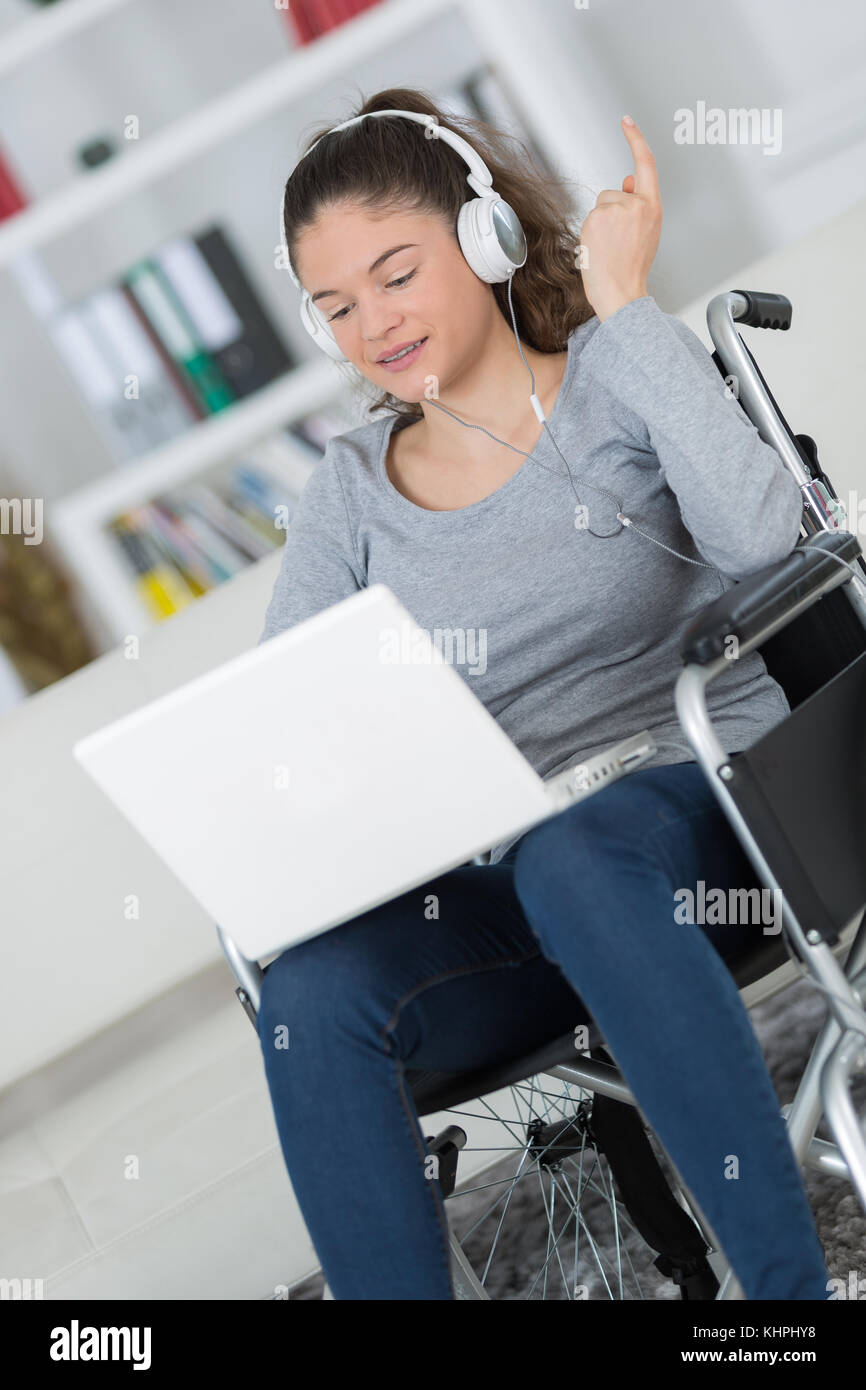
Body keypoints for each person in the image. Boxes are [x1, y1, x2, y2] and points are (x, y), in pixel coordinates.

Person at [254, 86, 831, 1300]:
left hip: (715, 823)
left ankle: (783, 1303)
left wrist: (626, 308)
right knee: (309, 991)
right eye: (336, 306)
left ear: (483, 239)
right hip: (520, 888)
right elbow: (286, 732)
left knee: (580, 856)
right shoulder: (347, 498)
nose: (373, 325)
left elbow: (767, 537)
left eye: (396, 273)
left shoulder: (617, 375)